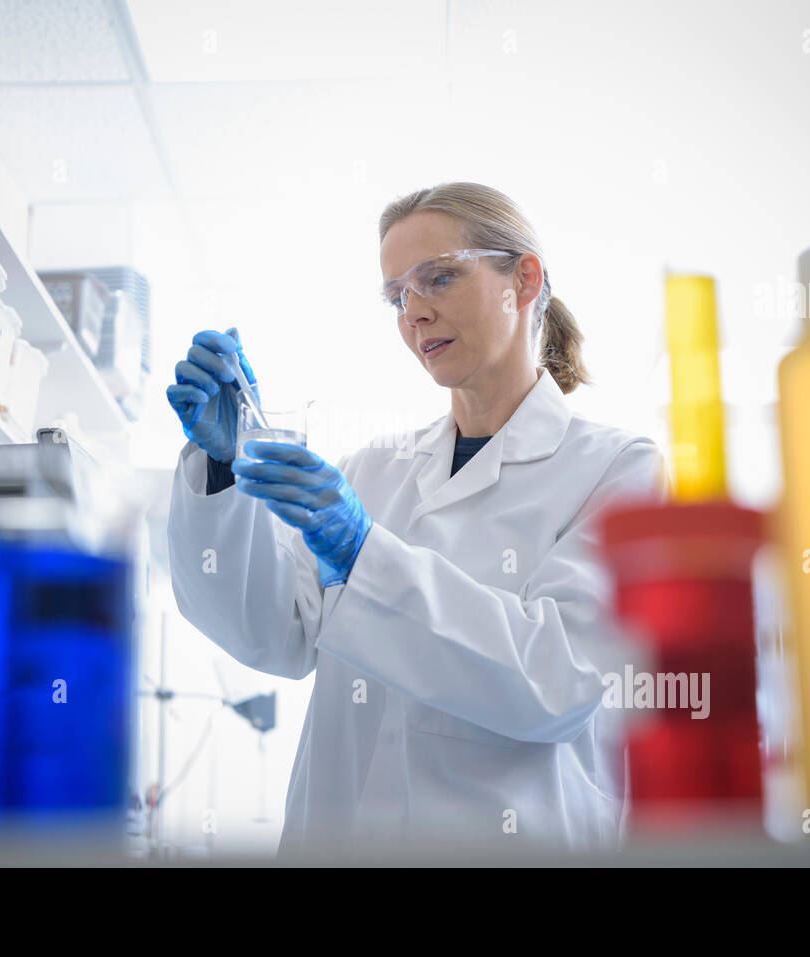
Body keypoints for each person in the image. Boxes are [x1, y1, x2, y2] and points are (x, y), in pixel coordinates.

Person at [166, 182, 669, 859]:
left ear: (522, 281)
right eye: (397, 295)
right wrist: (221, 465)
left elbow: (560, 681)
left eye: (440, 277)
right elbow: (270, 634)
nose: (416, 312)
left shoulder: (617, 468)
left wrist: (365, 552)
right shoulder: (373, 470)